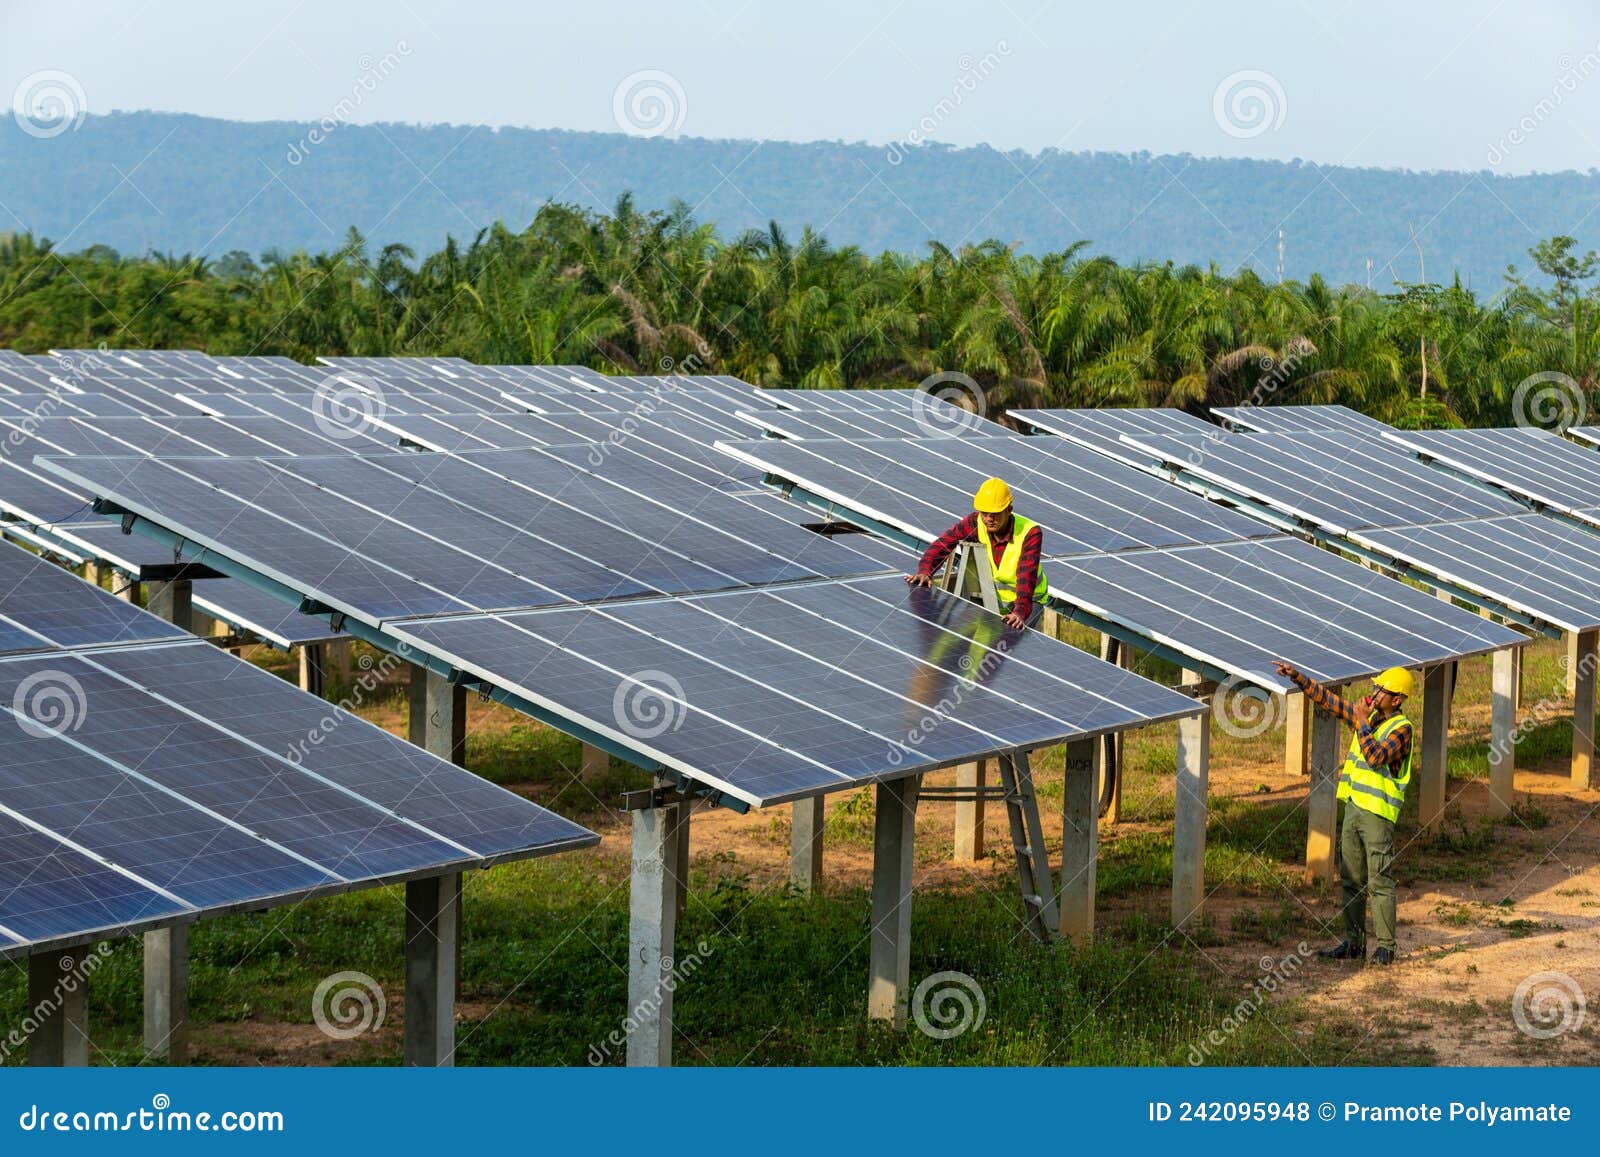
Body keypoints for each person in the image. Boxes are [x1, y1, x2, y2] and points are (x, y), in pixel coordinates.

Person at [1273, 661, 1416, 965]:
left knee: (1379, 880)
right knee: (1351, 879)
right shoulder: (1371, 718)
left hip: (1377, 815)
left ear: (1397, 700)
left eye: (1381, 690)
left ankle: (1386, 948)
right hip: (1353, 808)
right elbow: (1328, 700)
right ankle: (1354, 943)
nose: (1374, 693)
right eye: (1375, 687)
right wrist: (1298, 677)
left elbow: (1376, 757)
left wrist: (1362, 722)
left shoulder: (1402, 729)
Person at [905, 477, 1046, 629]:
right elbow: (943, 544)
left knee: (1012, 638)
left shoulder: (1030, 533)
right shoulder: (975, 522)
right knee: (981, 642)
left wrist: (1019, 612)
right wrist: (925, 571)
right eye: (984, 513)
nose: (989, 519)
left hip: (1029, 602)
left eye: (995, 514)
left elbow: (1026, 576)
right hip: (994, 601)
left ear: (1008, 510)